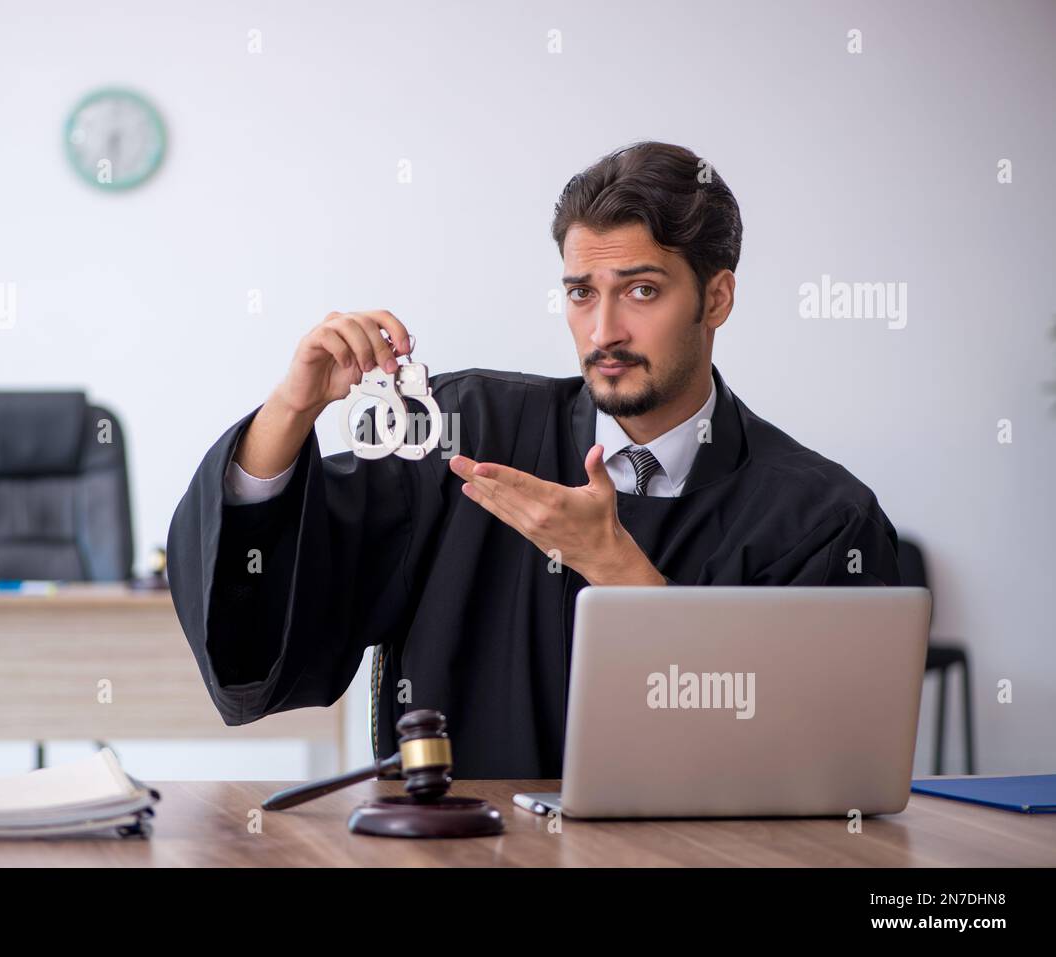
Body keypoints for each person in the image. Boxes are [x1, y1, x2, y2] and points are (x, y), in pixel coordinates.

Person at [167, 141, 902, 778]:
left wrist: (619, 570)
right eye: (582, 293)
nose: (604, 330)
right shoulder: (461, 433)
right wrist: (290, 411)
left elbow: (815, 765)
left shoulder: (822, 519)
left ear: (717, 298)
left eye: (641, 290)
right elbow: (271, 619)